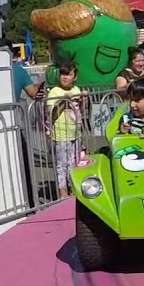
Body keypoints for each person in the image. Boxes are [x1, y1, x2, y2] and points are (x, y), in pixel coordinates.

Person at [46, 61, 88, 198]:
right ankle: (62, 193)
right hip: (60, 134)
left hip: (74, 133)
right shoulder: (55, 91)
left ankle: (73, 189)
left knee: (74, 163)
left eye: (68, 75)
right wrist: (64, 100)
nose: (65, 77)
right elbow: (51, 112)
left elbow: (80, 111)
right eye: (62, 74)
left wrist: (83, 100)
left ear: (74, 77)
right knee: (61, 165)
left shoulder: (76, 90)